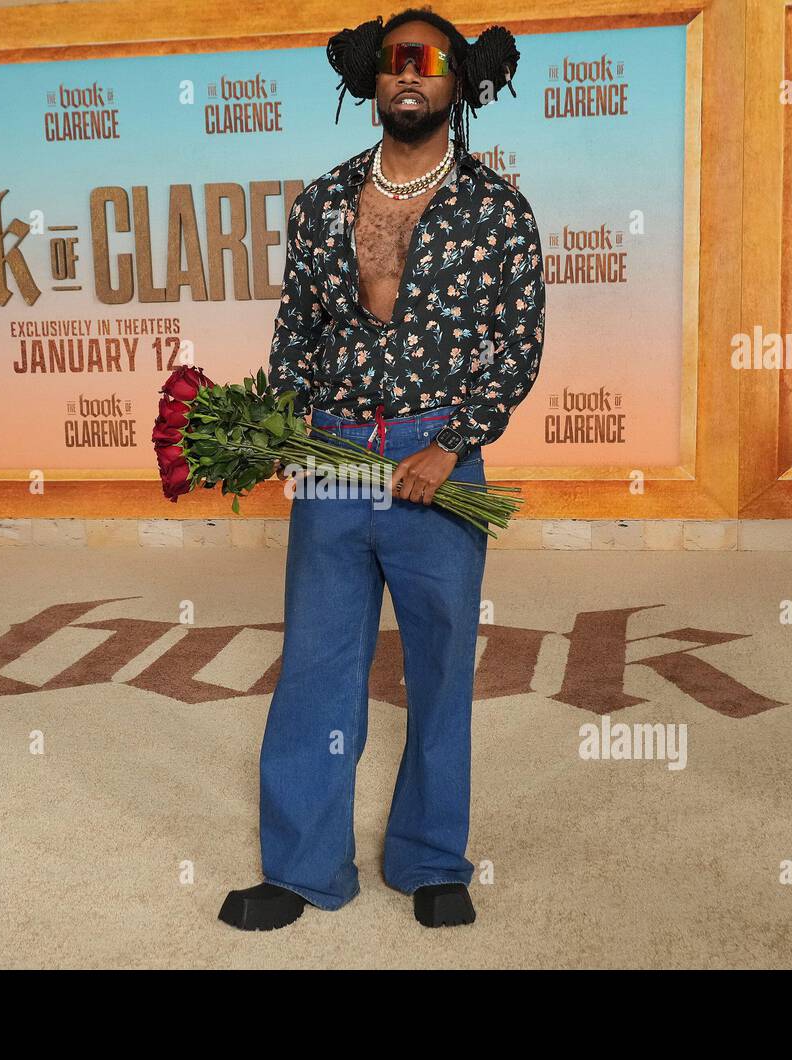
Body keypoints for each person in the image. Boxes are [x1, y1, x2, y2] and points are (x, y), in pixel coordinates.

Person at [220, 8, 543, 932]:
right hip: (331, 451)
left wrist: (453, 444)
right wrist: (283, 430)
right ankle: (301, 867)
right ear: (371, 79)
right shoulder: (322, 202)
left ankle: (432, 860)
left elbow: (516, 345)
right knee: (317, 665)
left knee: (441, 667)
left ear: (459, 82)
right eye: (395, 60)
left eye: (431, 60)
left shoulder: (497, 210)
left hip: (438, 454)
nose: (411, 74)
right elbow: (298, 333)